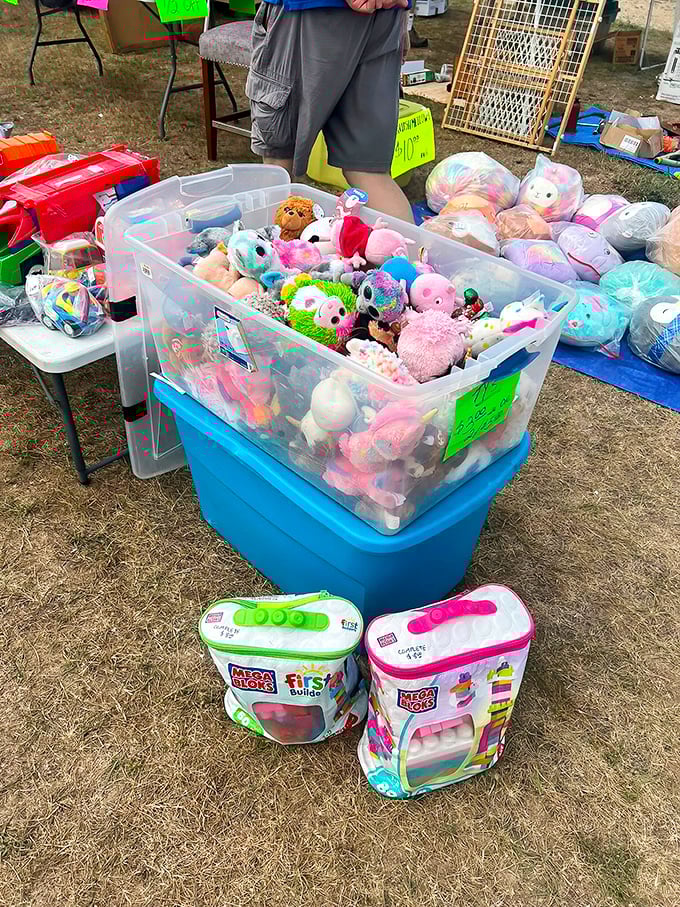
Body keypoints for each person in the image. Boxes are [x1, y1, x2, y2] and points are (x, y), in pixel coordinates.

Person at [247, 0, 414, 223]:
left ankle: (262, 251)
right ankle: (411, 256)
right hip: (385, 14)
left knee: (278, 163)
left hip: (309, 13)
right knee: (369, 172)